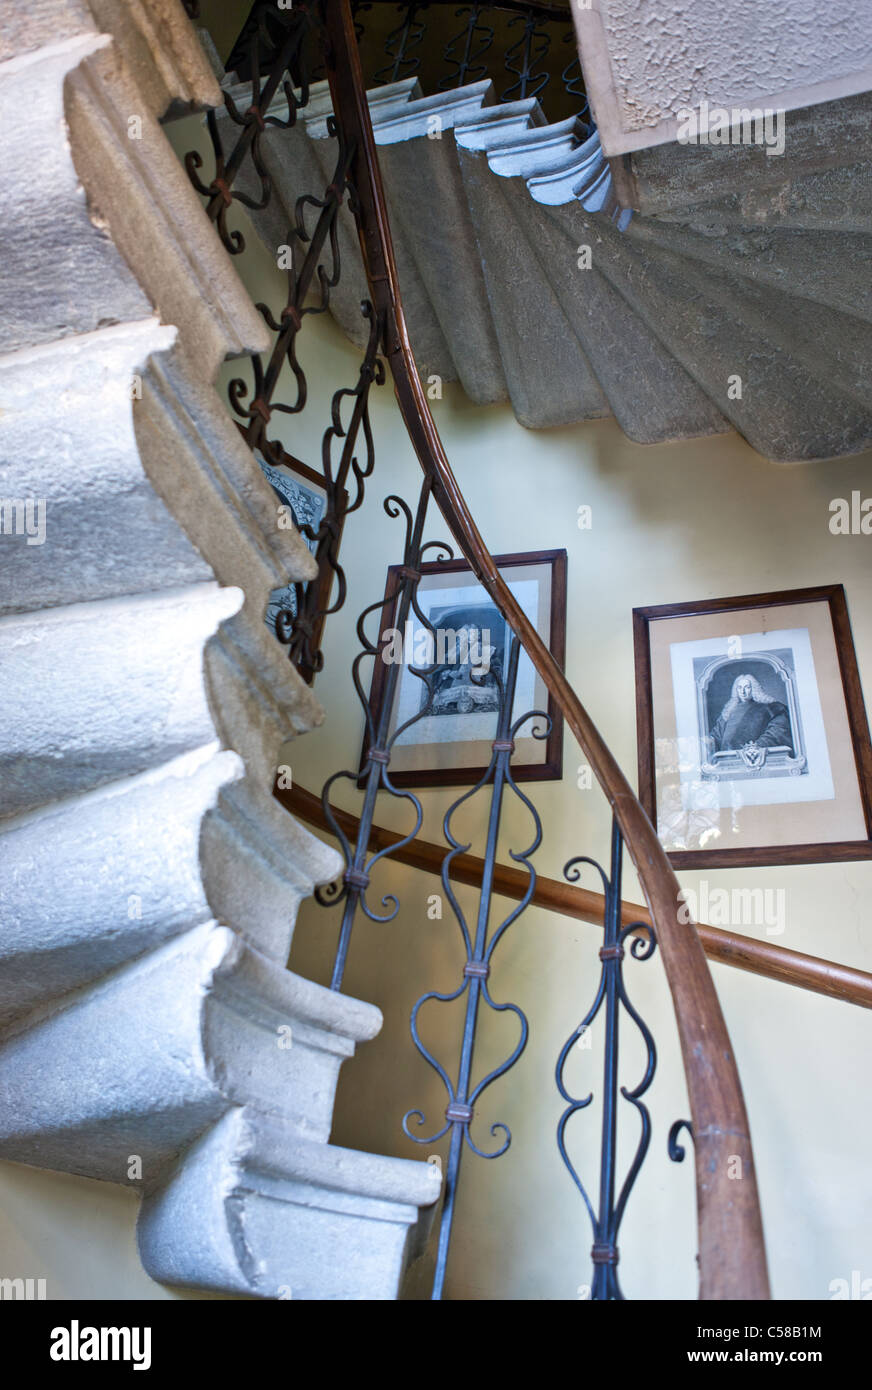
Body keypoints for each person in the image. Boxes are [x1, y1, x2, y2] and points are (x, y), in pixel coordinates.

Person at [710, 673, 793, 755]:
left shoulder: (771, 707)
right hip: (726, 759)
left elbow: (778, 731)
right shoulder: (728, 711)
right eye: (739, 688)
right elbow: (716, 735)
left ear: (754, 688)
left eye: (747, 687)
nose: (742, 691)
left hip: (753, 756)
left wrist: (755, 747)